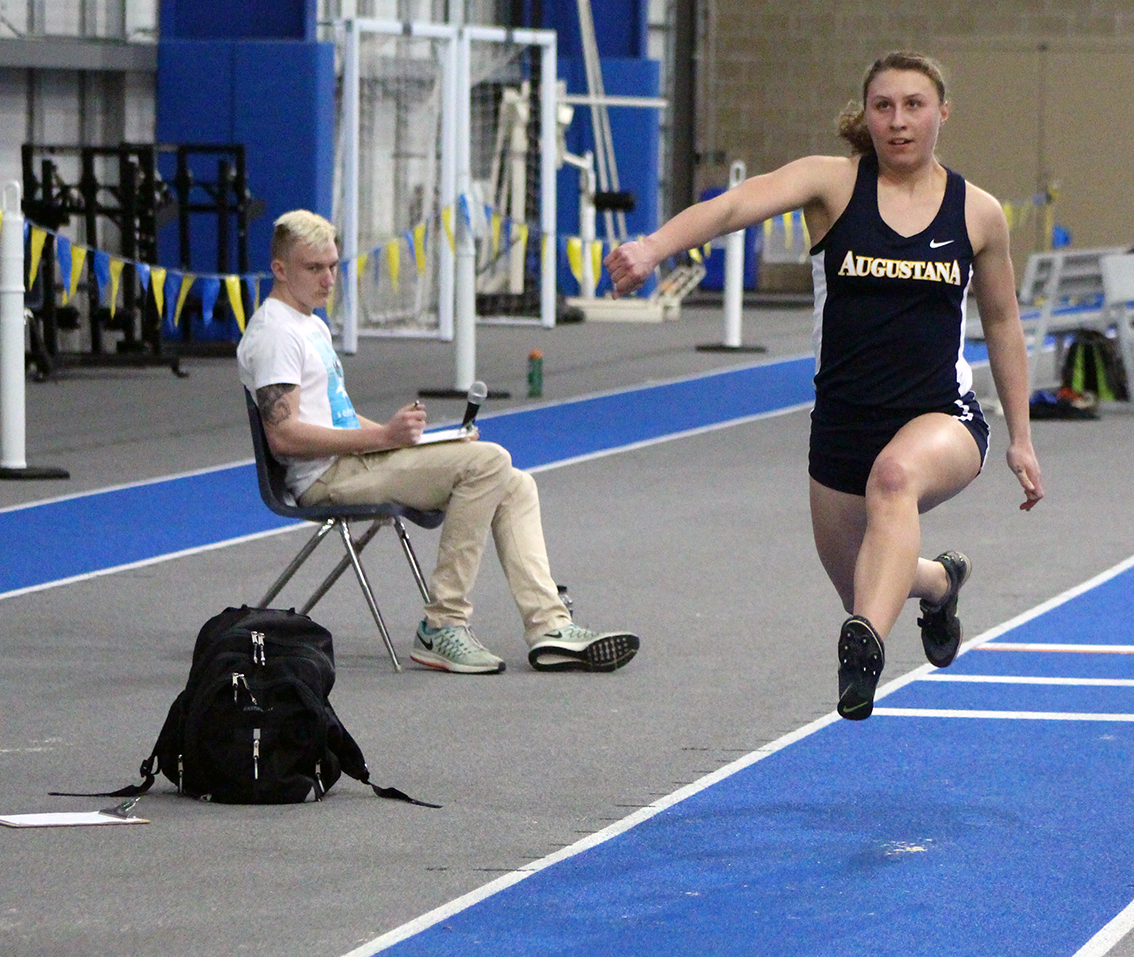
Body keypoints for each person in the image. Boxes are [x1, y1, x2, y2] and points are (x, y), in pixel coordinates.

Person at [605, 50, 1044, 720]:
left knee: (894, 481)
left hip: (942, 419)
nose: (898, 121)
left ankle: (864, 650)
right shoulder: (832, 185)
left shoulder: (976, 213)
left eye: (915, 105)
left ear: (942, 114)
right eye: (884, 106)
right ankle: (938, 583)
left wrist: (1022, 437)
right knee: (863, 582)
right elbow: (733, 207)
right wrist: (652, 247)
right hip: (842, 425)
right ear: (866, 115)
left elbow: (1004, 321)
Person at [240, 209, 638, 675]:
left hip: (354, 463)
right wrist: (383, 437)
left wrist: (413, 440)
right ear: (280, 269)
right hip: (326, 479)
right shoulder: (275, 333)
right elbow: (284, 436)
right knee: (489, 461)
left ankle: (549, 627)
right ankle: (442, 625)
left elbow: (336, 415)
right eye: (314, 268)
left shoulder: (311, 324)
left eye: (332, 266)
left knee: (514, 483)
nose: (328, 279)